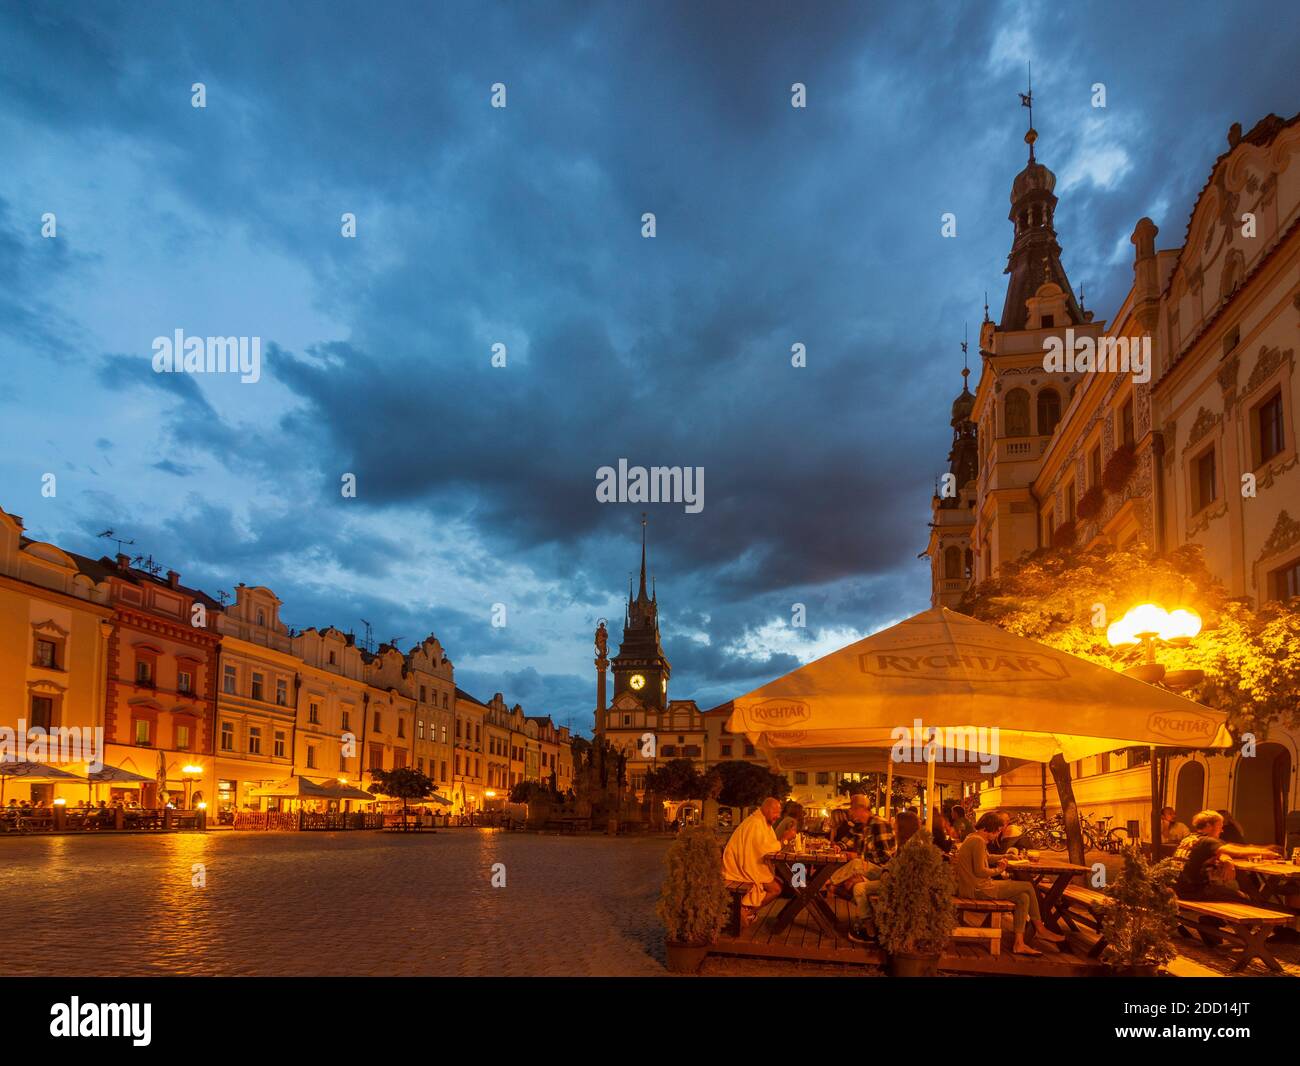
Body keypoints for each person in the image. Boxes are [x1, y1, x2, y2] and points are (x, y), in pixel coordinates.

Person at [953, 812, 1065, 956]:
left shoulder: (972, 838)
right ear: (991, 828)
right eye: (998, 831)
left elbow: (987, 857)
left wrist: (1006, 856)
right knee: (1027, 886)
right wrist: (998, 870)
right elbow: (980, 871)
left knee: (1023, 897)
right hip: (978, 889)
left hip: (972, 887)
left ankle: (1019, 943)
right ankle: (1040, 928)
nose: (998, 835)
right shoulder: (978, 841)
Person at [1173, 809, 1278, 902]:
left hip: (1178, 888)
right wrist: (1265, 853)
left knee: (1225, 890)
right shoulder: (1207, 841)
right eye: (1220, 826)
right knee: (1246, 899)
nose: (1222, 830)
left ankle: (1212, 921)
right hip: (1194, 891)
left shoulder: (1190, 838)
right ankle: (1252, 922)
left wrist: (1227, 860)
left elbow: (1224, 850)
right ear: (1209, 826)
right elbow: (1235, 850)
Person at [721, 797, 786, 925]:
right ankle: (745, 912)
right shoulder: (756, 823)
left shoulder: (761, 822)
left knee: (779, 882)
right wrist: (784, 840)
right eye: (776, 812)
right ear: (767, 809)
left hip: (742, 864)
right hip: (737, 869)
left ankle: (745, 910)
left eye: (779, 813)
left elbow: (766, 845)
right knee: (776, 888)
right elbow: (764, 849)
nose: (778, 816)